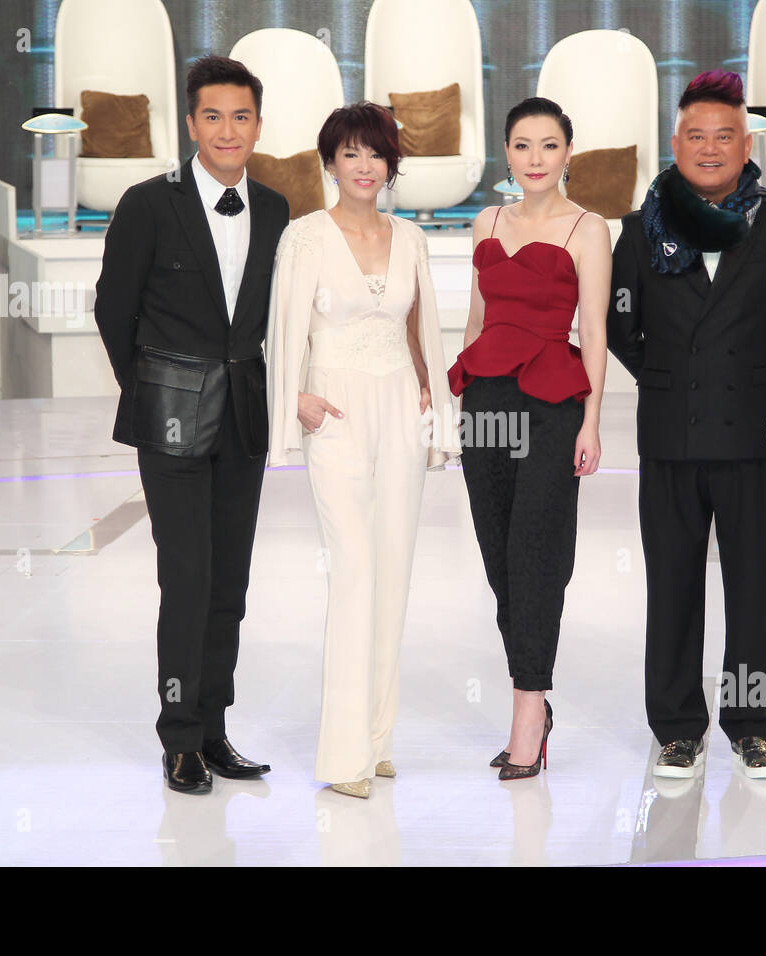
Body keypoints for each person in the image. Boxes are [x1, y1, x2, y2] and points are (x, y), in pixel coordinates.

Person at [607, 70, 766, 780]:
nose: (710, 148)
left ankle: (749, 725)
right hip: (670, 436)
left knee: (751, 589)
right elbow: (620, 326)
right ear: (676, 144)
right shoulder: (641, 229)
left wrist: (757, 377)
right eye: (696, 136)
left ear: (745, 142)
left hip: (753, 438)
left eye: (724, 135)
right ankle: (676, 726)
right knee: (672, 586)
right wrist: (667, 378)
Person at [94, 55, 288, 794]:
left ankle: (214, 729)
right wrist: (153, 392)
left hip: (244, 419)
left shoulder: (274, 208)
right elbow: (116, 309)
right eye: (213, 116)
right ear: (191, 123)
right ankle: (178, 738)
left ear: (258, 125)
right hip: (171, 416)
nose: (227, 130)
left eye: (241, 116)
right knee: (186, 577)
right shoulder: (148, 203)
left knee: (228, 586)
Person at [265, 103, 460, 800]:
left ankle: (376, 741)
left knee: (393, 573)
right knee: (352, 573)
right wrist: (294, 401)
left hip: (401, 407)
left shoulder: (409, 238)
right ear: (330, 163)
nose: (365, 166)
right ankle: (343, 753)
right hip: (337, 410)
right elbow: (284, 327)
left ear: (391, 164)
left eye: (376, 154)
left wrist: (435, 408)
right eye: (351, 154)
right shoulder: (304, 238)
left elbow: (424, 327)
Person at [447, 97, 610, 781]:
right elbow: (477, 320)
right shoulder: (487, 220)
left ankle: (526, 713)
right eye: (522, 145)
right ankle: (536, 697)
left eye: (549, 145)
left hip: (551, 403)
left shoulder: (589, 229)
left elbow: (596, 330)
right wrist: (458, 400)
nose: (535, 159)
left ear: (568, 152)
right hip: (486, 401)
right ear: (507, 154)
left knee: (536, 554)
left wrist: (593, 420)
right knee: (497, 560)